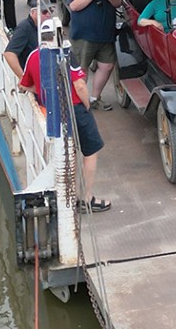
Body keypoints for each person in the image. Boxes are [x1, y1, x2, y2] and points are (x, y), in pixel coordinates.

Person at [20, 43, 109, 211]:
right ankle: (86, 199)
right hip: (75, 108)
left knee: (68, 152)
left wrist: (41, 90)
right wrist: (87, 106)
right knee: (90, 151)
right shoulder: (65, 54)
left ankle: (69, 197)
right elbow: (80, 85)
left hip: (52, 112)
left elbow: (23, 86)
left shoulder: (32, 56)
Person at [65, 0, 124, 107]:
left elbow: (118, 2)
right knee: (81, 70)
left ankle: (94, 98)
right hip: (84, 36)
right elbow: (74, 6)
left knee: (107, 66)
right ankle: (79, 101)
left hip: (105, 34)